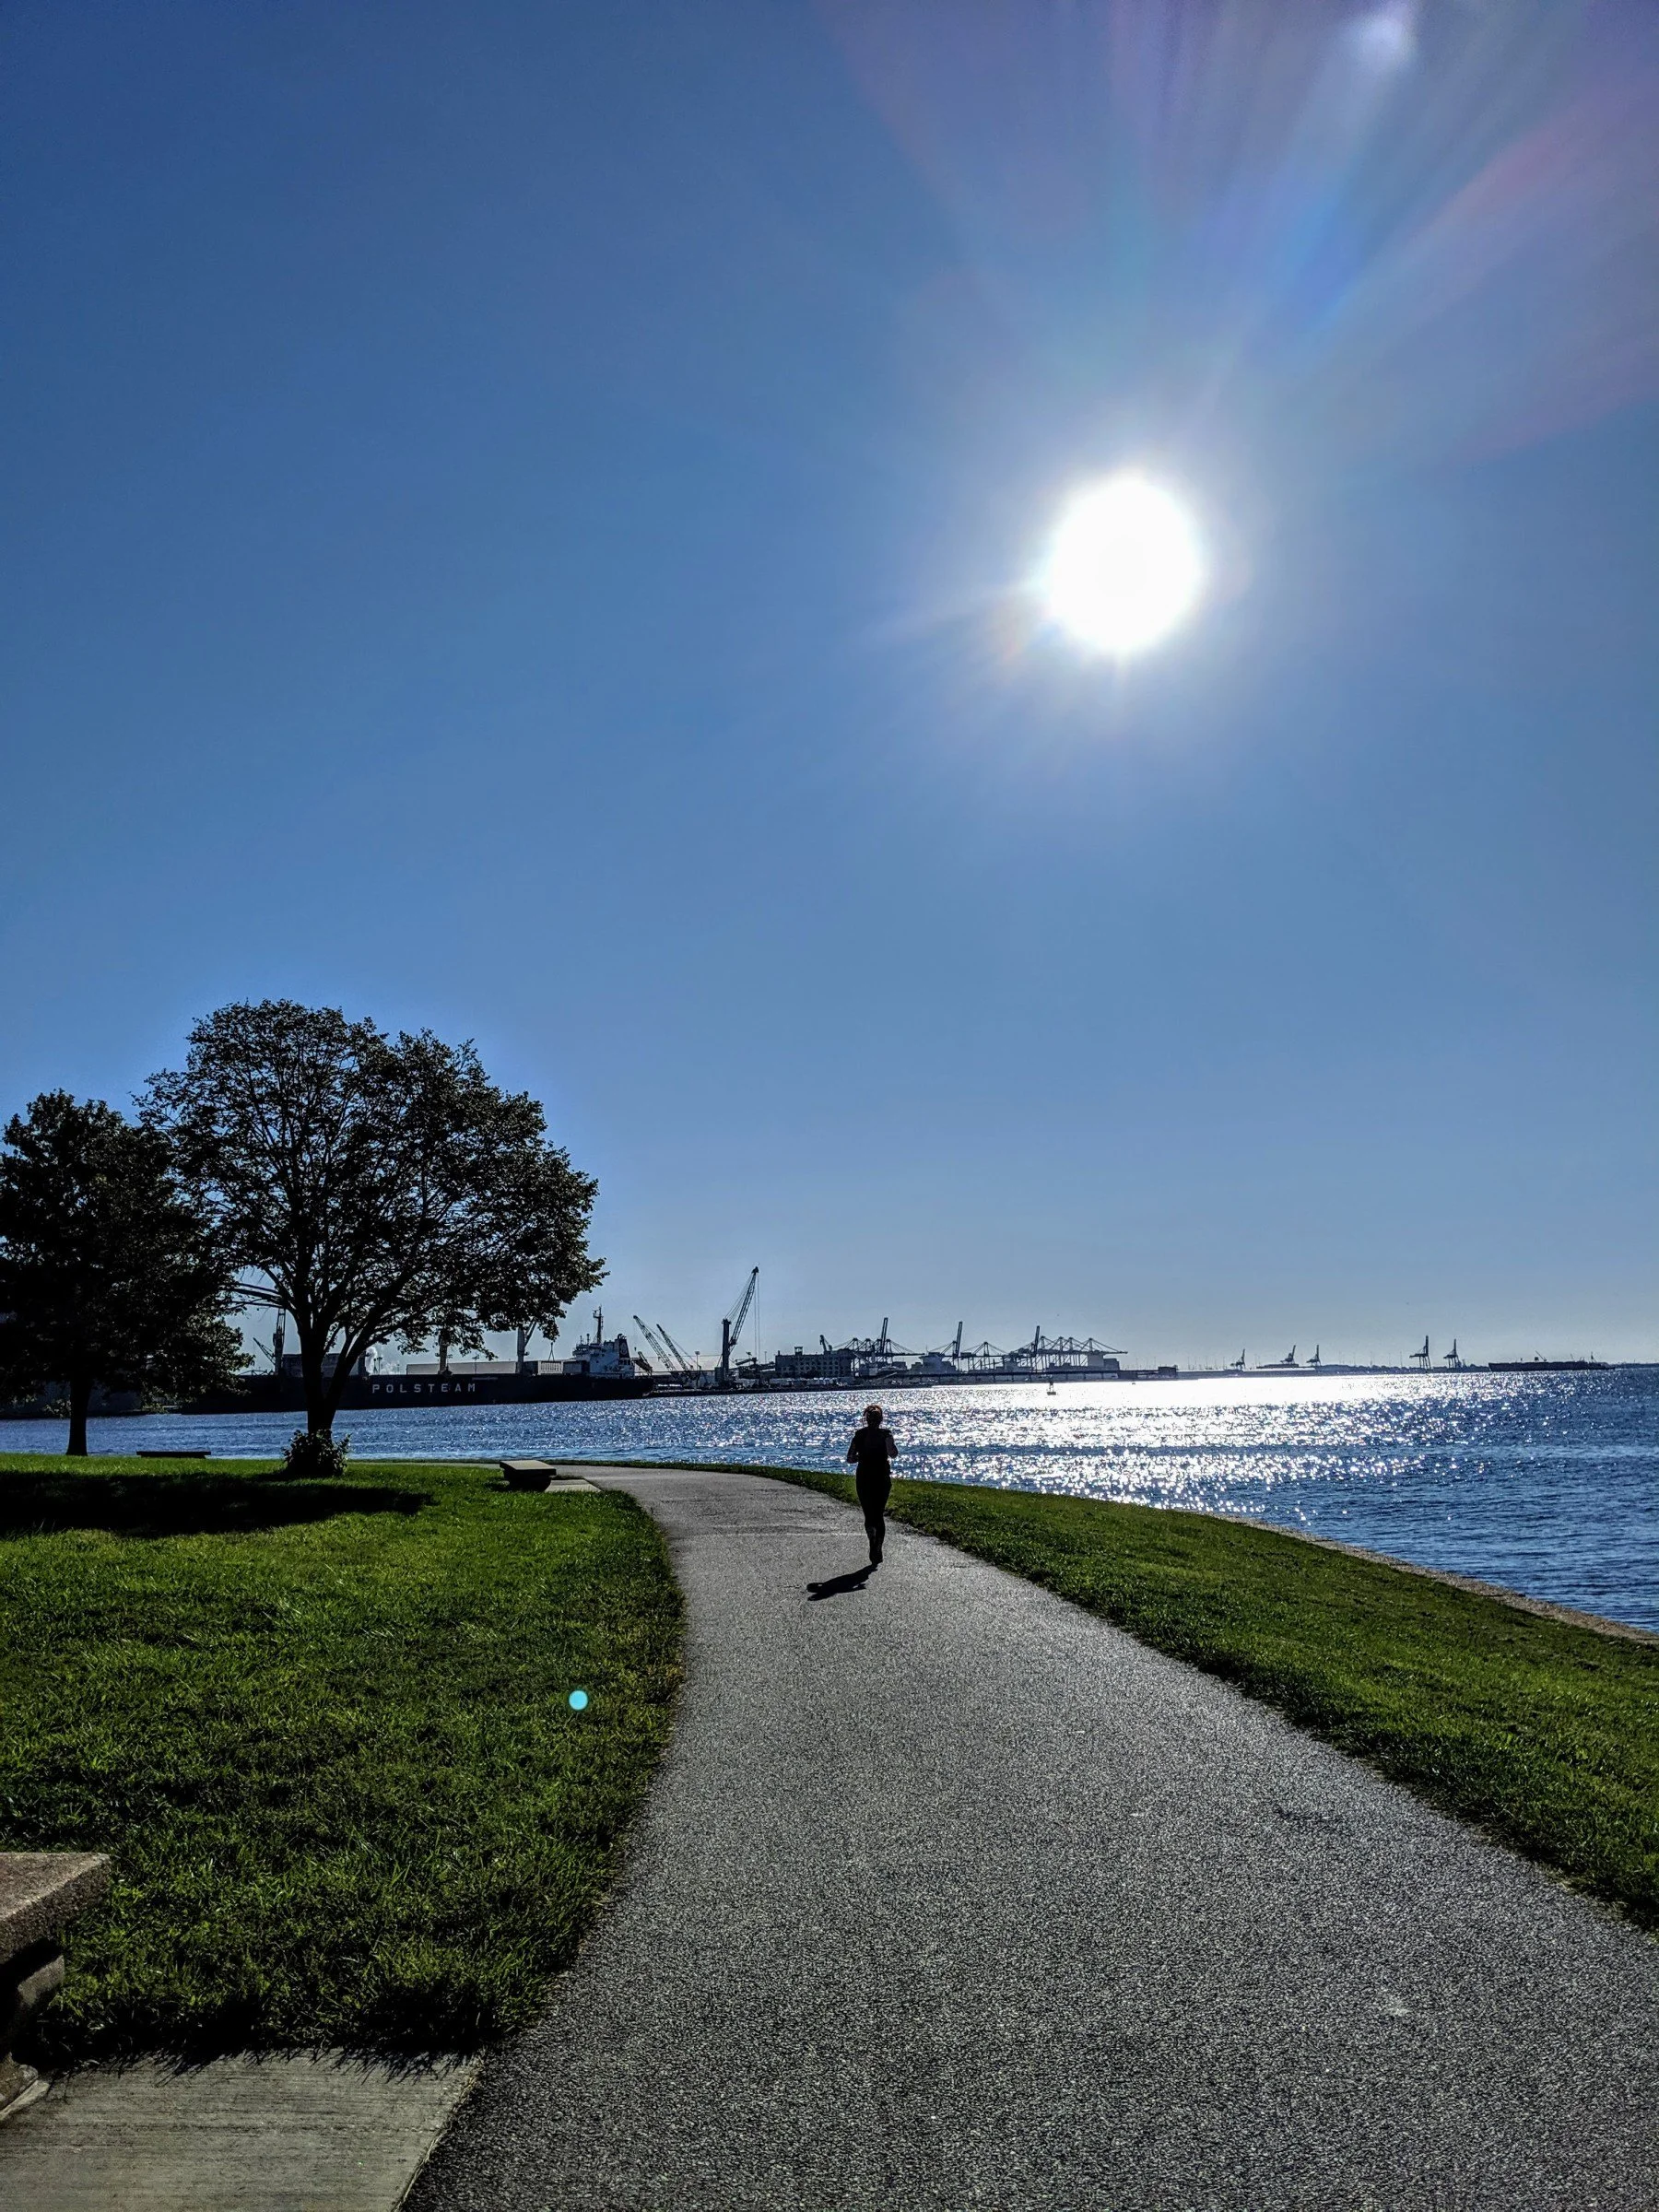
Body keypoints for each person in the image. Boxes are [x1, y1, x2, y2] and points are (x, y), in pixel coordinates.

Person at [846, 1403, 897, 1566]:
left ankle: (872, 1541)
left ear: (866, 1419)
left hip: (864, 1477)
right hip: (881, 1476)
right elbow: (893, 1453)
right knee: (878, 1513)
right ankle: (877, 1546)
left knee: (869, 1514)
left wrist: (862, 1457)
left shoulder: (859, 1435)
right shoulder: (886, 1434)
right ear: (881, 1420)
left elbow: (850, 1458)